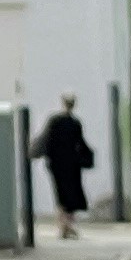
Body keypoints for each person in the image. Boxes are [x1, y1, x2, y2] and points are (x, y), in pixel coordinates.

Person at [34, 97, 94, 240]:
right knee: (72, 194)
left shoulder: (54, 121)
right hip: (72, 163)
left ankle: (63, 225)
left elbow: (47, 140)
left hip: (56, 163)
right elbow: (80, 143)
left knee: (60, 193)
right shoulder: (75, 123)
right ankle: (68, 224)